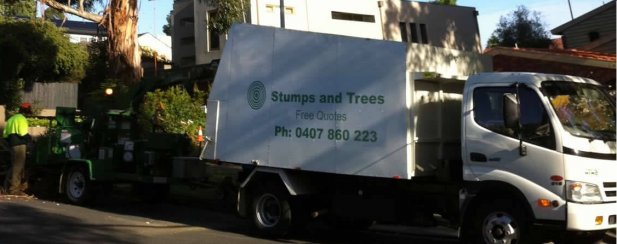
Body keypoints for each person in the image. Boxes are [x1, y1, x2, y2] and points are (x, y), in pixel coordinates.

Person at [2, 102, 32, 196]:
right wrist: (31, 140)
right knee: (18, 167)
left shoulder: (11, 118)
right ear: (26, 111)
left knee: (14, 166)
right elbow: (23, 134)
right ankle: (14, 190)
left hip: (11, 144)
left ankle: (7, 186)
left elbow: (5, 134)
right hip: (20, 145)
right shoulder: (22, 119)